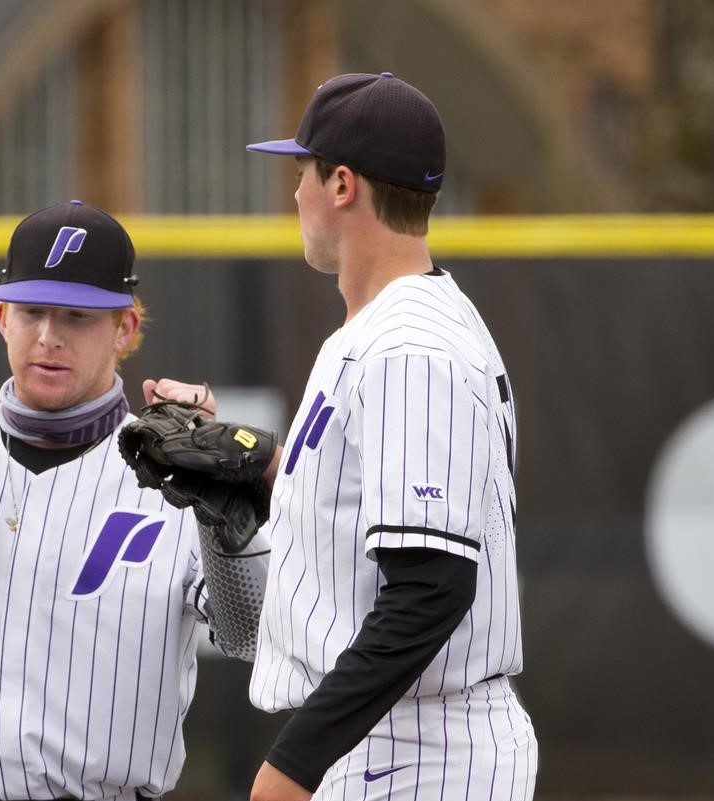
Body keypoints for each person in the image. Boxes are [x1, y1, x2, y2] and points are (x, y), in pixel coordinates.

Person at [0, 200, 268, 801]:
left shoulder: (180, 476)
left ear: (125, 328)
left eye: (77, 315)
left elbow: (248, 637)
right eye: (33, 310)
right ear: (2, 316)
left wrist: (220, 511)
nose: (49, 336)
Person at [226, 72, 536, 800]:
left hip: (415, 747)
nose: (294, 192)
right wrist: (259, 468)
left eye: (301, 171)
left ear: (341, 184)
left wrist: (292, 766)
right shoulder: (391, 328)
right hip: (391, 740)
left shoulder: (409, 346)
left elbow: (431, 588)